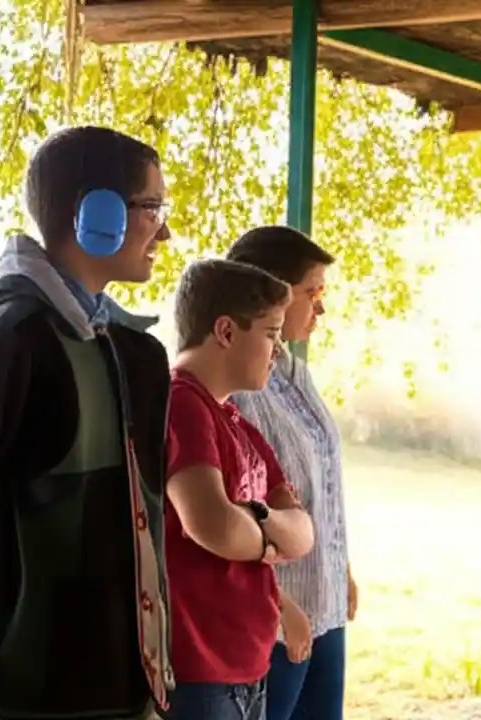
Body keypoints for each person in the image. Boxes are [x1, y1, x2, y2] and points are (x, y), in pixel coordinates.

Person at [0, 126, 174, 719]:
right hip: (40, 700)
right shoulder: (12, 342)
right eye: (152, 208)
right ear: (98, 214)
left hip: (128, 691)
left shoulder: (133, 350)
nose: (164, 231)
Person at [163, 258, 316, 720]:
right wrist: (269, 536)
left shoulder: (235, 422)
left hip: (246, 669)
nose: (278, 352)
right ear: (226, 332)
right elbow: (214, 526)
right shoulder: (183, 404)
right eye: (270, 334)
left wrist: (256, 517)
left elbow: (302, 532)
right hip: (198, 673)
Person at [226, 226, 355, 720]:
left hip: (325, 606)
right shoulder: (239, 386)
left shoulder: (295, 373)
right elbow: (236, 513)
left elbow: (321, 481)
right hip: (278, 620)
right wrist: (280, 603)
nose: (321, 308)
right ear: (271, 293)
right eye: (312, 293)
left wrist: (341, 567)